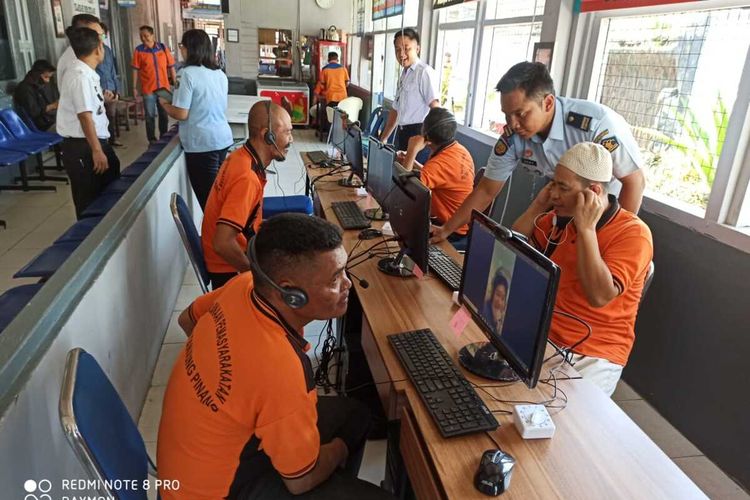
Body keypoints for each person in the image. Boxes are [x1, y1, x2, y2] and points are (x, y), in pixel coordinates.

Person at [158, 213, 393, 500]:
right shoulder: (281, 368)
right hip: (215, 491)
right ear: (291, 294)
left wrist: (229, 375)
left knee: (356, 415)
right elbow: (302, 481)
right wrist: (339, 449)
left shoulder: (244, 285)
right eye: (334, 278)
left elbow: (187, 319)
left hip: (196, 459)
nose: (348, 285)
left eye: (344, 271)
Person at [431, 61, 647, 244]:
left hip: (602, 213)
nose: (512, 124)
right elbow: (486, 190)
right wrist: (446, 230)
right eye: (507, 115)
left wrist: (614, 240)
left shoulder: (594, 124)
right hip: (562, 209)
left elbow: (634, 182)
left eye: (520, 114)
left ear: (548, 102)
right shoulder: (513, 137)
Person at [512, 142, 653, 396]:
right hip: (545, 331)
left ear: (594, 191)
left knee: (564, 423)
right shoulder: (557, 220)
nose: (554, 194)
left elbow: (599, 295)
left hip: (594, 350)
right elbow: (511, 250)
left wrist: (587, 229)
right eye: (553, 183)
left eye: (563, 187)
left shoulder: (633, 233)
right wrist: (537, 207)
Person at [201, 101, 293, 289]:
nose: (291, 139)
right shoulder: (247, 178)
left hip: (235, 252)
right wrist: (253, 274)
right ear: (267, 135)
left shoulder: (240, 157)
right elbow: (223, 244)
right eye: (287, 132)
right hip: (228, 268)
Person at [159, 29, 233, 210]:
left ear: (188, 49)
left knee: (209, 203)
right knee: (219, 194)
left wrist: (165, 105)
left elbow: (182, 113)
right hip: (222, 139)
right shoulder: (220, 74)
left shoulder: (186, 74)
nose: (181, 51)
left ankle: (214, 237)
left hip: (201, 144)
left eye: (182, 46)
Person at [57, 27, 120, 219]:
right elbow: (84, 116)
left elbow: (89, 107)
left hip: (93, 142)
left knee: (110, 190)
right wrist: (96, 150)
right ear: (99, 48)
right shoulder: (80, 76)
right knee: (89, 200)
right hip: (83, 147)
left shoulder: (86, 73)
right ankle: (90, 241)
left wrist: (104, 99)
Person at [396, 107, 474, 249]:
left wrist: (412, 150)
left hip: (448, 231)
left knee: (395, 233)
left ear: (427, 139)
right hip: (458, 226)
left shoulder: (440, 163)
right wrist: (411, 161)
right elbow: (435, 176)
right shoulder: (458, 150)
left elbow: (403, 193)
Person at [379, 28, 439, 164]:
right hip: (403, 133)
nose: (401, 54)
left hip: (419, 135)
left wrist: (427, 139)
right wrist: (384, 138)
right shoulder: (404, 74)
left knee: (412, 180)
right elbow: (396, 109)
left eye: (406, 49)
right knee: (401, 177)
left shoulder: (424, 72)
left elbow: (436, 108)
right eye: (397, 50)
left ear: (417, 49)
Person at [132, 25, 176, 143]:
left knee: (164, 114)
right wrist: (134, 87)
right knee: (149, 116)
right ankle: (151, 139)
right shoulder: (139, 50)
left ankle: (163, 137)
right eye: (141, 36)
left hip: (163, 88)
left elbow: (171, 66)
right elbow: (135, 69)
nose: (144, 38)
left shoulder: (162, 48)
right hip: (148, 88)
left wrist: (175, 82)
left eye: (146, 36)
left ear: (152, 35)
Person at [56, 14, 105, 87]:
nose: (102, 41)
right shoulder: (73, 63)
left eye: (103, 36)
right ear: (83, 34)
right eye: (97, 36)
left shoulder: (84, 56)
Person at [95, 22, 123, 147]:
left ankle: (112, 139)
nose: (101, 37)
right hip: (98, 89)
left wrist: (117, 88)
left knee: (111, 115)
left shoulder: (107, 50)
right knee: (98, 116)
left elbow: (113, 70)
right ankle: (102, 142)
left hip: (111, 88)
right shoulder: (91, 52)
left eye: (103, 35)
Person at [13, 60, 59, 131]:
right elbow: (33, 112)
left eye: (49, 77)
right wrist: (52, 106)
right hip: (41, 127)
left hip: (51, 121)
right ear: (37, 74)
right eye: (46, 77)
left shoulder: (39, 86)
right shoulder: (25, 89)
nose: (48, 81)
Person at [481, 270, 508, 335]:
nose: (500, 301)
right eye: (498, 294)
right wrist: (495, 322)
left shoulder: (500, 319)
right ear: (493, 292)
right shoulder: (484, 309)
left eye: (503, 298)